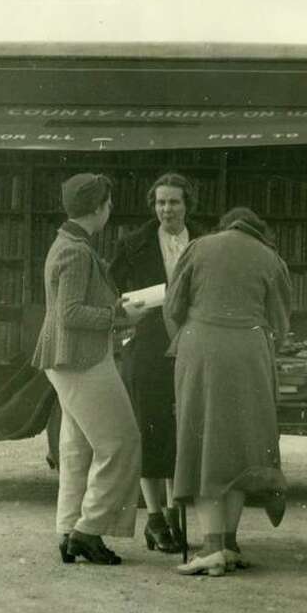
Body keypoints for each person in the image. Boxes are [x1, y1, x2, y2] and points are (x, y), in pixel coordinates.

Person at [165, 206, 291, 576]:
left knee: (201, 442)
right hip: (250, 353)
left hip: (200, 348)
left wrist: (190, 335)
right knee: (239, 446)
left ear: (225, 226)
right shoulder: (271, 258)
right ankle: (230, 544)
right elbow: (280, 325)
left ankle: (211, 546)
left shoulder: (199, 247)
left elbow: (173, 306)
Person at [32, 173, 146, 566]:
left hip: (68, 358)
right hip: (80, 358)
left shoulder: (68, 243)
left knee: (77, 449)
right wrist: (117, 314)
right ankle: (88, 531)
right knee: (122, 444)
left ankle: (68, 532)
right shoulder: (77, 251)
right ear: (99, 208)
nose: (109, 210)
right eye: (108, 204)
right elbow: (70, 313)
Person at [109, 172, 204, 554]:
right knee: (151, 427)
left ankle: (177, 513)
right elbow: (110, 289)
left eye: (174, 202)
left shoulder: (206, 241)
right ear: (154, 206)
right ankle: (156, 518)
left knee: (183, 430)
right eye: (161, 202)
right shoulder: (133, 244)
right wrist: (127, 310)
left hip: (192, 343)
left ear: (187, 205)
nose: (167, 209)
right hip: (147, 346)